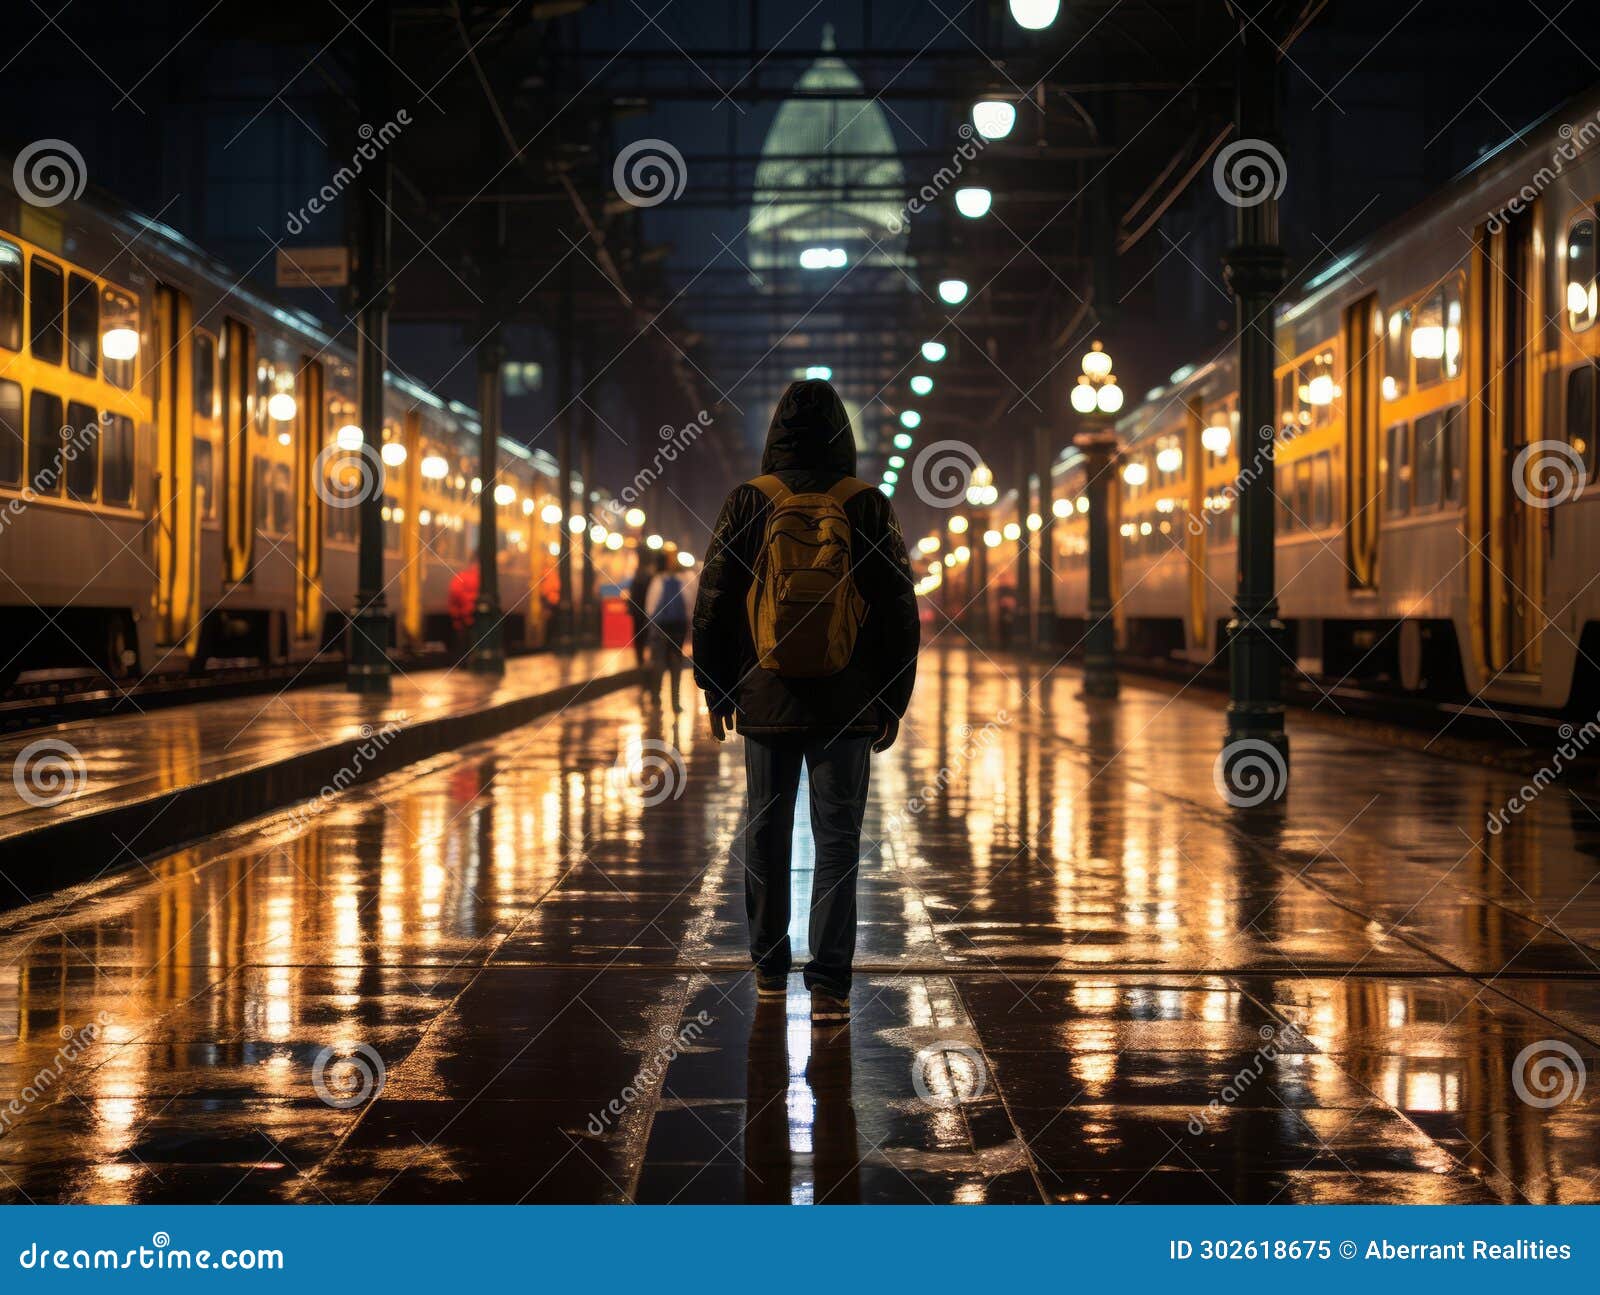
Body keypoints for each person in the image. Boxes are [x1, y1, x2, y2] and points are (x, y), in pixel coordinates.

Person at [692, 379, 919, 1023]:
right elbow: (900, 612)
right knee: (839, 839)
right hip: (847, 702)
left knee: (765, 829)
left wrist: (716, 687)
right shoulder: (867, 504)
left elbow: (713, 603)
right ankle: (830, 984)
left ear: (774, 435)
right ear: (844, 435)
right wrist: (891, 700)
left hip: (764, 697)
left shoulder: (749, 501)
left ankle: (769, 967)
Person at [643, 551, 694, 712]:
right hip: (678, 627)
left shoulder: (658, 580)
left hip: (660, 627)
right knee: (675, 662)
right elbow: (690, 605)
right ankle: (675, 701)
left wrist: (651, 625)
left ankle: (656, 695)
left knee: (658, 661)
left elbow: (650, 606)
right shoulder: (685, 579)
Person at [626, 556, 654, 674]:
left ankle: (640, 658)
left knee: (638, 635)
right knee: (647, 634)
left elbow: (631, 597)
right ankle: (647, 658)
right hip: (646, 612)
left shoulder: (635, 580)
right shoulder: (650, 579)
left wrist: (631, 609)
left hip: (637, 612)